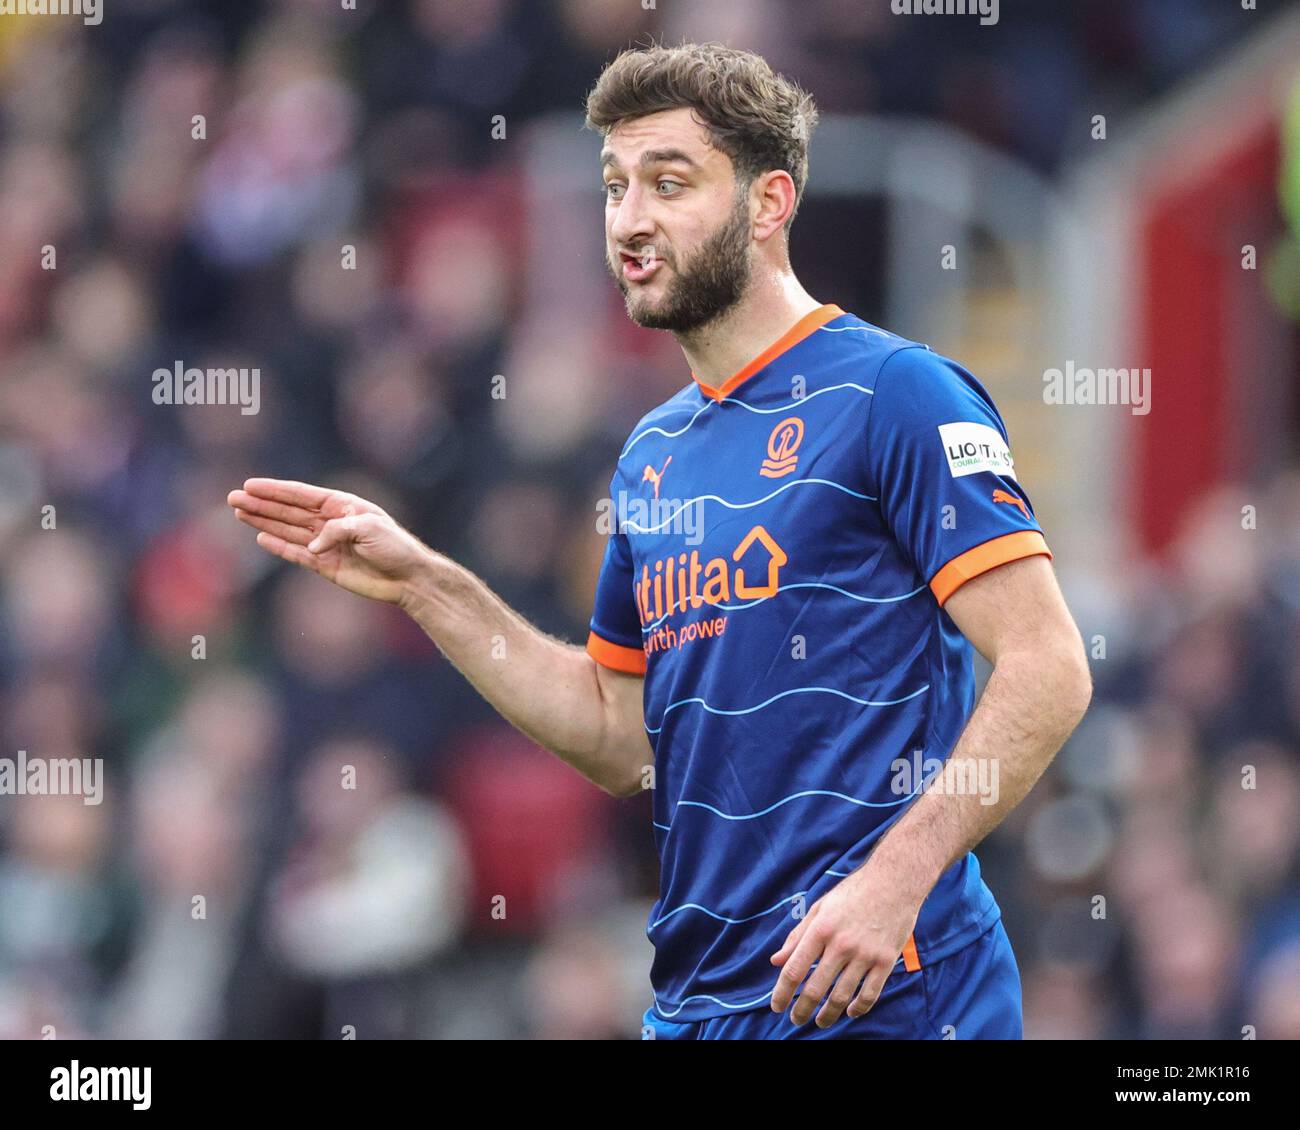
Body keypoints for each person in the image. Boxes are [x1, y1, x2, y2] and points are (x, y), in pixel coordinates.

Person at [228, 42, 1092, 1040]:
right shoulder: (652, 454)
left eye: (669, 183)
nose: (629, 219)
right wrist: (427, 583)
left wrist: (895, 879)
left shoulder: (895, 392)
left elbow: (1047, 665)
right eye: (614, 187)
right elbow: (616, 735)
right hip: (703, 1002)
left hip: (884, 987)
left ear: (767, 204)